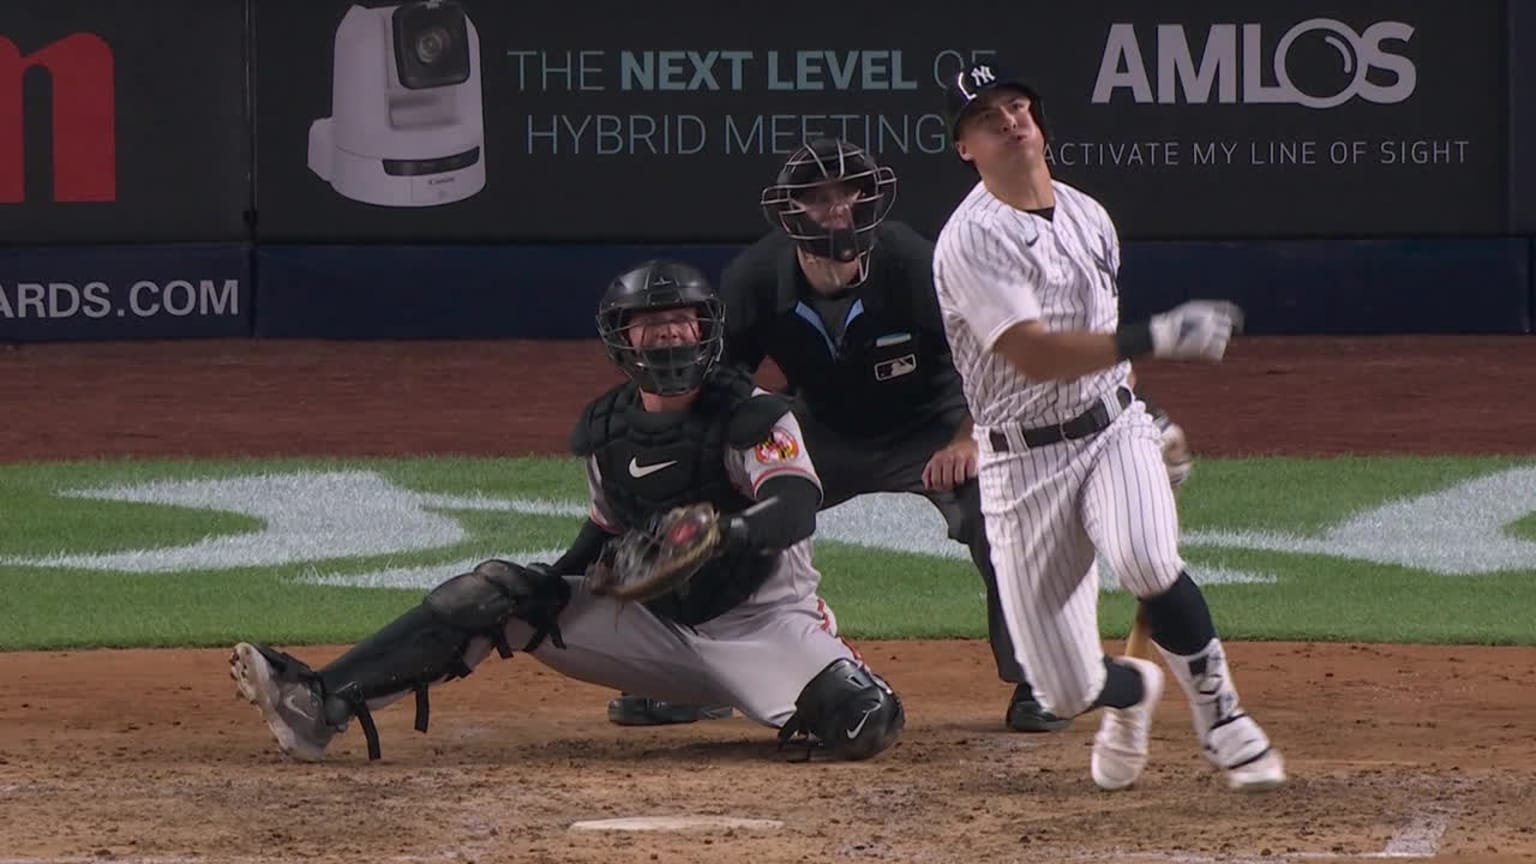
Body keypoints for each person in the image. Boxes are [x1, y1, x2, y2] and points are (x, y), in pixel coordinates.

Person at [607, 137, 1191, 734]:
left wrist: (968, 438)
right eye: (818, 197)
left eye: (849, 192)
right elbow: (720, 381)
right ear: (790, 210)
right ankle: (694, 679)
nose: (837, 208)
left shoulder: (916, 265)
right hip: (822, 428)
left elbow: (996, 361)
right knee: (715, 496)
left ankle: (1038, 677)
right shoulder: (757, 279)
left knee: (999, 507)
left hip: (934, 425)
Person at [227, 259, 905, 764]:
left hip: (765, 627)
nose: (669, 336)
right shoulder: (608, 432)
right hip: (653, 629)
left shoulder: (755, 413)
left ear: (707, 331)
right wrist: (557, 581)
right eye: (651, 324)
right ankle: (321, 703)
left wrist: (726, 530)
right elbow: (604, 531)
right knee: (497, 592)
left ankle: (764, 691)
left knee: (863, 724)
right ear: (623, 340)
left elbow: (793, 509)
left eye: (683, 321)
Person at [929, 61, 1285, 792]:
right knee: (1062, 691)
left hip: (1110, 434)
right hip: (1019, 467)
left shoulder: (1090, 216)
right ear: (964, 146)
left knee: (1147, 560)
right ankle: (1135, 693)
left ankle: (1222, 715)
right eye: (987, 116)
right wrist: (1157, 336)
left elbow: (1099, 343)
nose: (1009, 120)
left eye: (1018, 104)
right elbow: (1029, 353)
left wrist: (1142, 411)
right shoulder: (970, 241)